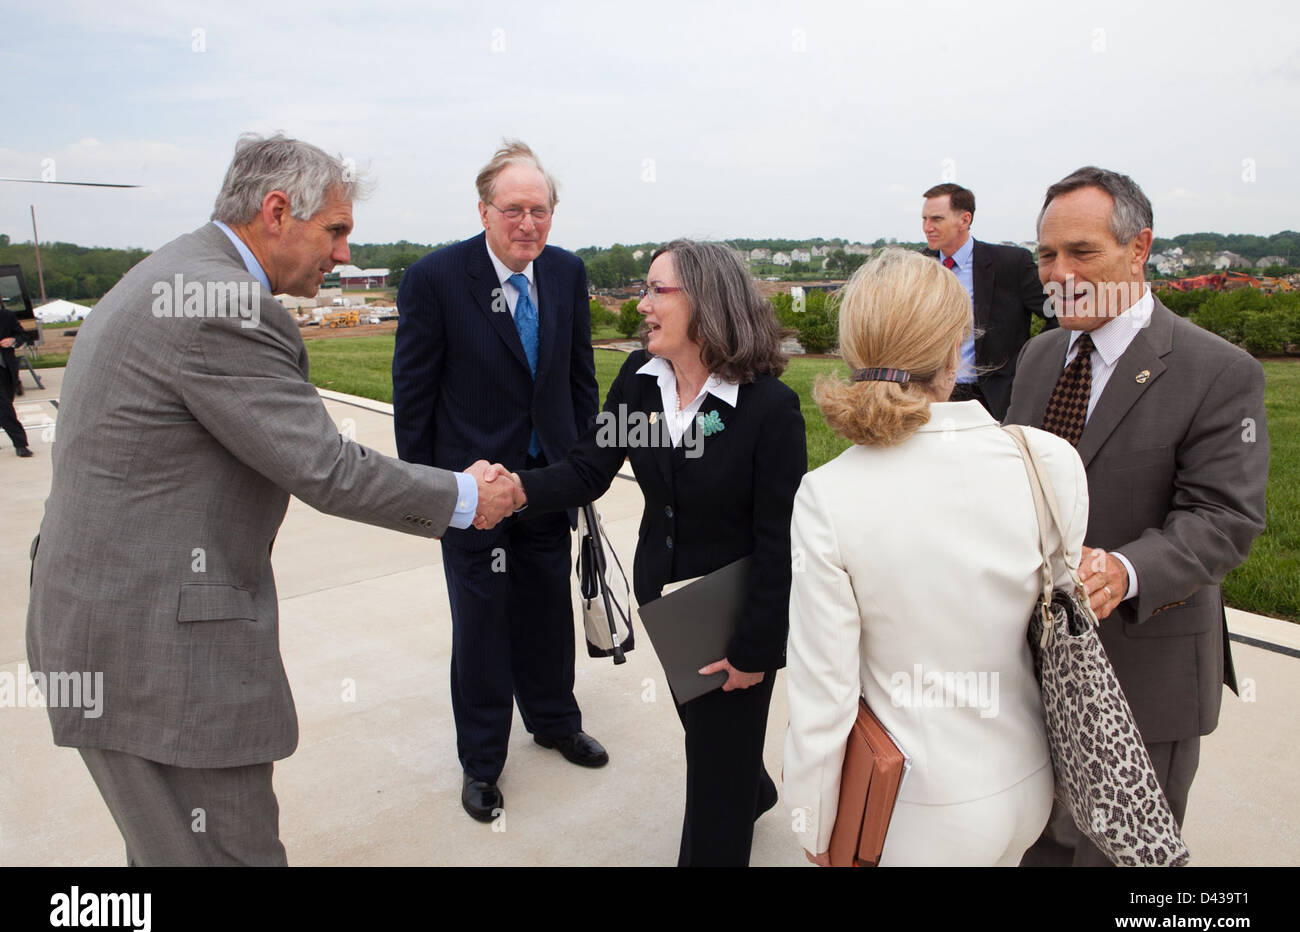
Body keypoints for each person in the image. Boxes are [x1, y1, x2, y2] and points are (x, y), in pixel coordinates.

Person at [25, 133, 521, 866]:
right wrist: (464, 496)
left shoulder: (173, 271)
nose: (345, 254)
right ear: (278, 210)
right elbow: (326, 468)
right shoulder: (222, 303)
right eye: (336, 230)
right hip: (158, 659)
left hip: (104, 630)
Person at [496, 240, 806, 865]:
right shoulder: (641, 382)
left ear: (706, 303)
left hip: (731, 618)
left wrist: (755, 647)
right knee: (715, 742)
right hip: (667, 601)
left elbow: (781, 542)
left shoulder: (767, 409)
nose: (641, 305)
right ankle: (754, 788)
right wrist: (515, 490)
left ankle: (733, 806)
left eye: (655, 291)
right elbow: (590, 470)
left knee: (713, 783)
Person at [782, 249, 1088, 866]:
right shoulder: (1047, 459)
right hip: (1030, 783)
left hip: (915, 812)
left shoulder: (829, 494)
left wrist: (814, 827)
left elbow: (824, 692)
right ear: (956, 348)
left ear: (854, 349)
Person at [1006, 167, 1269, 866]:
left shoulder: (1217, 371)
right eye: (1045, 255)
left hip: (1143, 677)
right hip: (1031, 666)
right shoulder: (1037, 357)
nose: (1058, 273)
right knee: (1043, 846)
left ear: (1139, 247)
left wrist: (1124, 571)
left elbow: (1225, 517)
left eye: (1081, 252)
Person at [392, 141, 605, 824]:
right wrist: (433, 497)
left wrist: (577, 467)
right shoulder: (437, 279)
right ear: (484, 211)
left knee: (547, 613)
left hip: (546, 486)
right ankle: (482, 763)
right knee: (482, 631)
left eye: (539, 210)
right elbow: (414, 396)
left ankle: (553, 721)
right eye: (513, 209)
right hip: (473, 497)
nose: (528, 224)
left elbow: (578, 379)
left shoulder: (567, 274)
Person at [920, 182, 1052, 419]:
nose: (927, 227)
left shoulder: (1011, 264)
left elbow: (1056, 313)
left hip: (994, 396)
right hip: (930, 396)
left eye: (936, 219)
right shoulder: (915, 267)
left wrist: (1032, 359)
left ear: (965, 219)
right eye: (924, 219)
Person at [0, 304, 33, 457]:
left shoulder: (6, 316)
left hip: (5, 368)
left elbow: (23, 335)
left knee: (6, 403)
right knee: (4, 407)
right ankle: (20, 443)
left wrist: (12, 340)